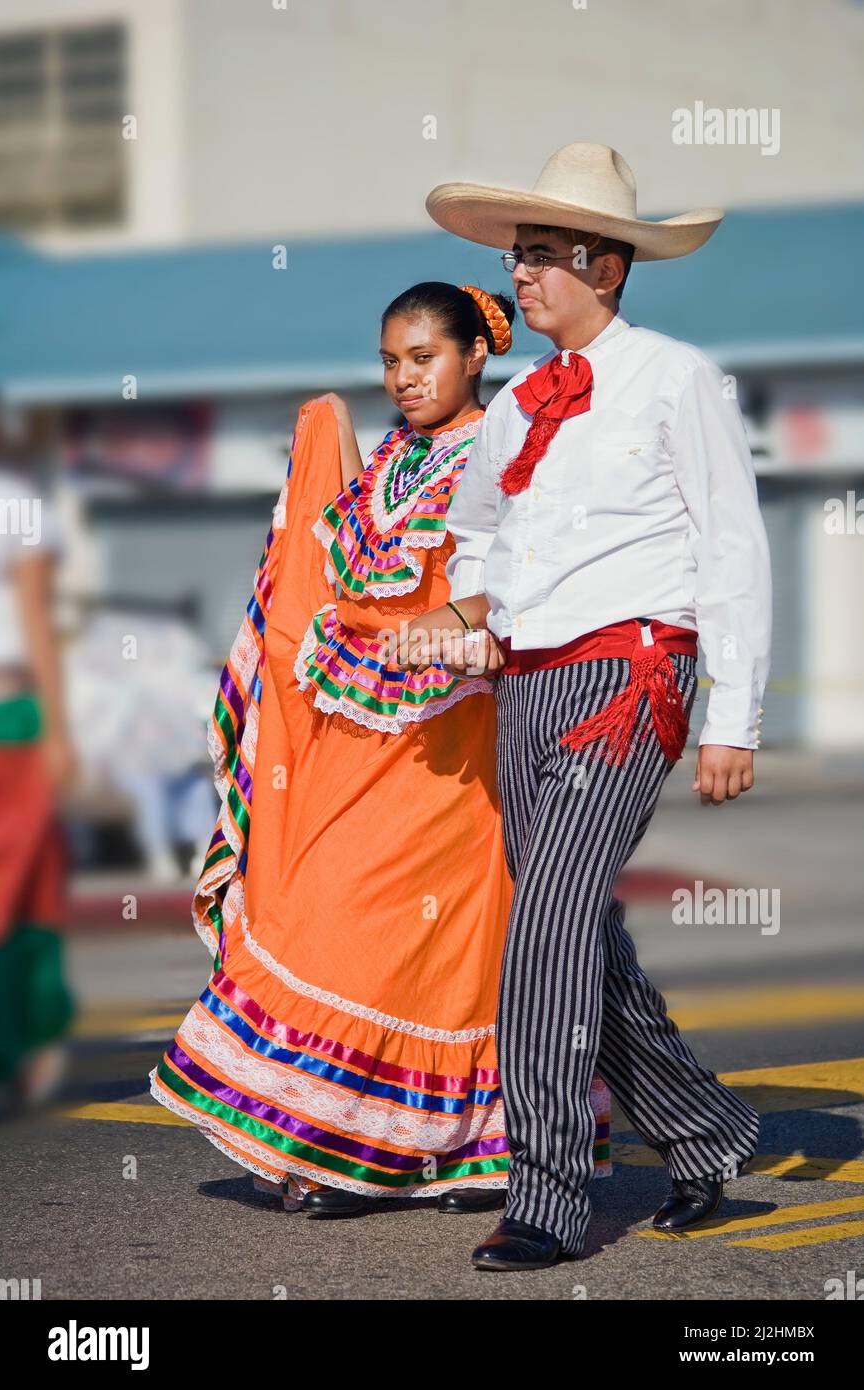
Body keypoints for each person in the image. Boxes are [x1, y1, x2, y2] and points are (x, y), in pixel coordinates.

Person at [149, 281, 614, 1211]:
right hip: (364, 739)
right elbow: (332, 580)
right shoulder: (390, 462)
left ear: (476, 356)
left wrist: (455, 633)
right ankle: (368, 1143)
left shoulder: (504, 448)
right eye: (391, 360)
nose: (403, 377)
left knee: (400, 930)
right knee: (330, 905)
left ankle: (398, 1153)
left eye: (423, 357)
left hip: (450, 740)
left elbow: (523, 577)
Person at [419, 143, 772, 1268]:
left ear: (604, 266)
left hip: (628, 680)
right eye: (515, 257)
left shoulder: (674, 377)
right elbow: (475, 531)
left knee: (543, 928)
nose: (515, 278)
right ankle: (702, 1130)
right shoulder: (516, 401)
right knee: (577, 934)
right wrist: (469, 621)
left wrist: (732, 718)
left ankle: (549, 1187)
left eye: (535, 257)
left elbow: (732, 547)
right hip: (523, 686)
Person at [0, 415, 77, 1115]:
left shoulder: (15, 502)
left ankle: (32, 1039)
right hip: (14, 715)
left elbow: (36, 619)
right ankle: (29, 1040)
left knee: (27, 885)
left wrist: (56, 730)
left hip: (13, 718)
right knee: (23, 889)